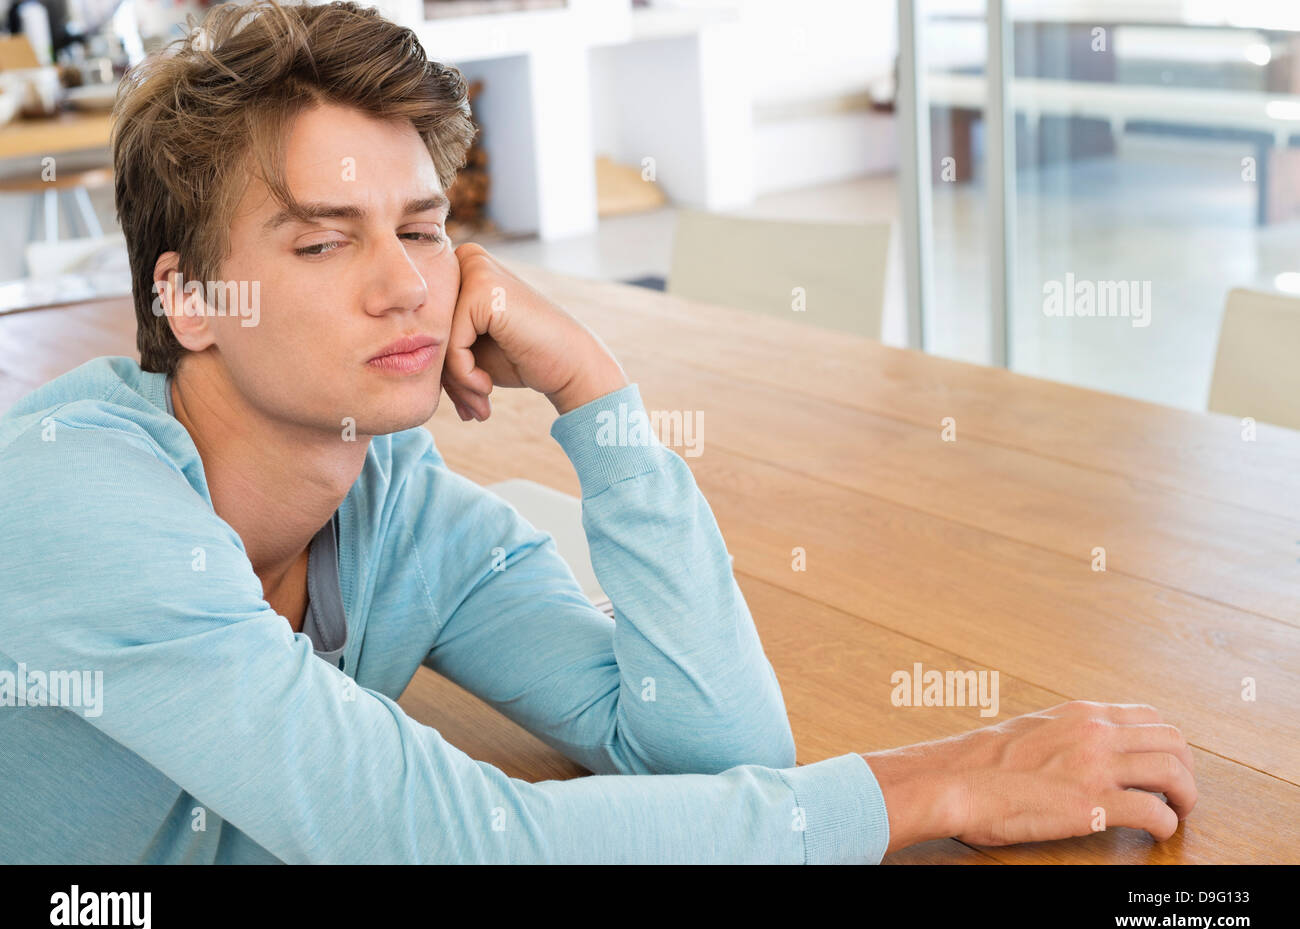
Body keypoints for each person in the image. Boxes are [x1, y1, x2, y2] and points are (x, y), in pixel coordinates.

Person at [0, 0, 1196, 864]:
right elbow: (443, 842)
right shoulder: (80, 501)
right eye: (323, 241)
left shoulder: (395, 501)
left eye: (420, 229)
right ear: (189, 298)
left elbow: (716, 747)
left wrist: (597, 396)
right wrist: (929, 783)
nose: (406, 284)